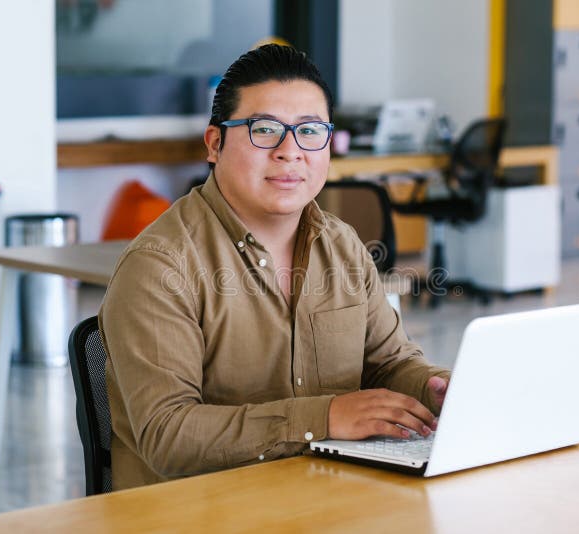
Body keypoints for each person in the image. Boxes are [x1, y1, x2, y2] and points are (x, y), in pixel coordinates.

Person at [99, 44, 450, 490]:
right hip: (199, 513)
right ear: (215, 143)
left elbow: (388, 363)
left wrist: (435, 387)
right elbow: (168, 435)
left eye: (309, 131)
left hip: (323, 500)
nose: (290, 151)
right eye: (264, 130)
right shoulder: (160, 266)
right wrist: (323, 418)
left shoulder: (341, 245)